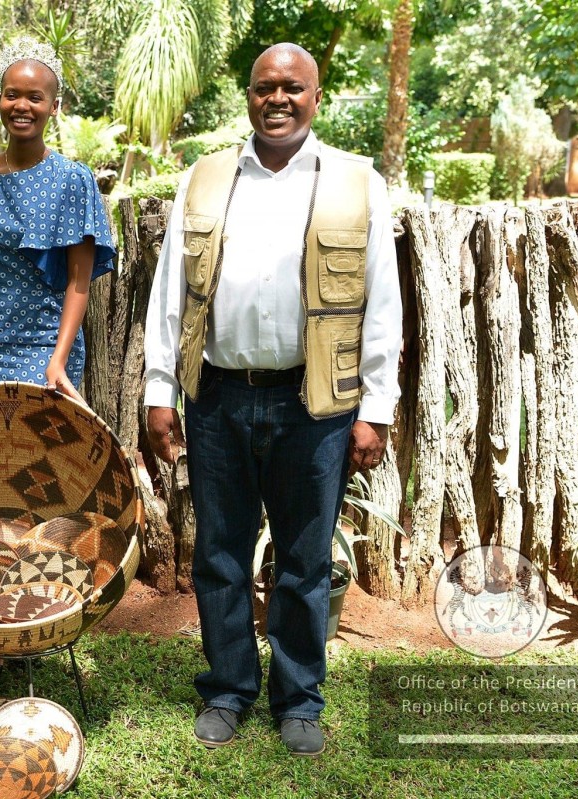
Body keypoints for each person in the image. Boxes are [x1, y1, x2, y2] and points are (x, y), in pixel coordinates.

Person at [143, 43, 402, 757]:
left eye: (293, 87)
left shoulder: (356, 182)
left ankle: (298, 699)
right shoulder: (206, 177)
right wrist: (159, 389)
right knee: (219, 553)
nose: (277, 98)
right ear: (249, 96)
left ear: (316, 97)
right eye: (264, 87)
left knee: (304, 557)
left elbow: (383, 302)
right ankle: (227, 689)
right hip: (219, 396)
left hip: (313, 403)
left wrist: (376, 407)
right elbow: (171, 294)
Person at [0, 37, 116, 401]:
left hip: (47, 347)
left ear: (54, 106)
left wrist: (59, 360)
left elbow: (80, 280)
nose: (22, 106)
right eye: (12, 94)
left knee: (40, 455)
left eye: (35, 97)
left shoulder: (72, 179)